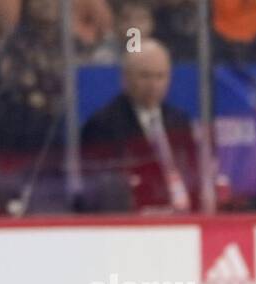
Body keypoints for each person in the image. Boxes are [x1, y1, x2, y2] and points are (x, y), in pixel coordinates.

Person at [79, 39, 198, 211]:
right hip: (133, 215)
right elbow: (102, 188)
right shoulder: (102, 124)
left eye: (160, 76)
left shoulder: (179, 120)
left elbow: (193, 171)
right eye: (145, 75)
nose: (153, 85)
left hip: (182, 212)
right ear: (125, 79)